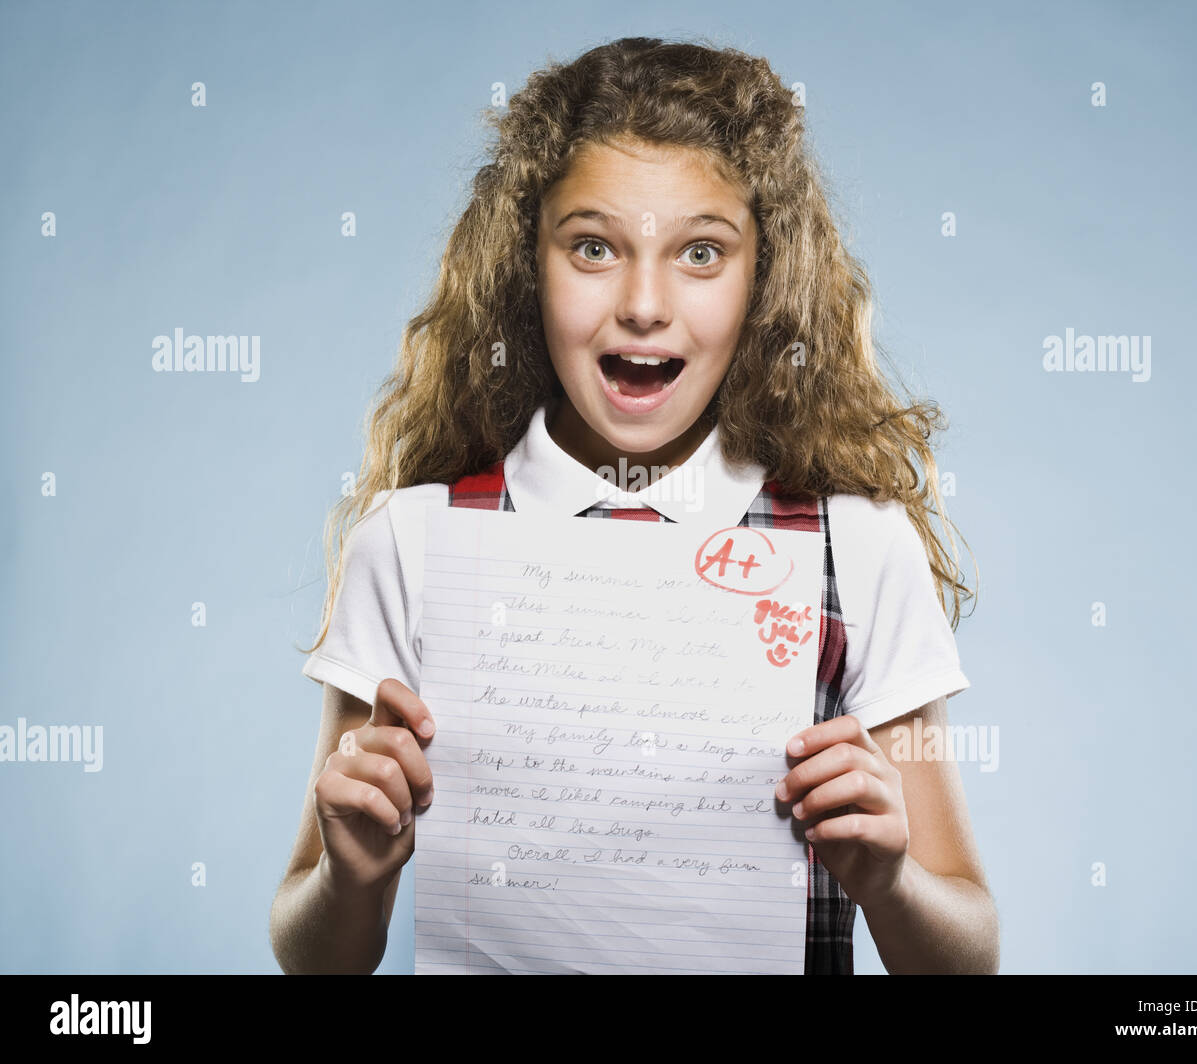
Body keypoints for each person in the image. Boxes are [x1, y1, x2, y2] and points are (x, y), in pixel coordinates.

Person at [270, 35, 998, 975]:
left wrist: (891, 879)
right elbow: (312, 951)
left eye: (700, 251)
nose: (645, 304)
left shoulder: (858, 547)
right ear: (525, 267)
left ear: (762, 278)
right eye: (593, 247)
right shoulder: (415, 543)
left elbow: (968, 955)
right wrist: (351, 876)